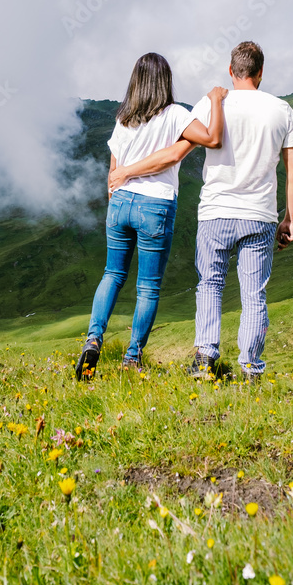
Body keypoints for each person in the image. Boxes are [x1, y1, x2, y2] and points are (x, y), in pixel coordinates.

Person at [108, 41, 293, 380]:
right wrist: (290, 218)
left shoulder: (209, 103)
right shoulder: (282, 110)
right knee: (253, 293)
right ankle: (251, 368)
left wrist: (127, 170)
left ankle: (205, 359)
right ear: (260, 73)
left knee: (209, 284)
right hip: (260, 215)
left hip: (215, 211)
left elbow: (178, 148)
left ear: (231, 71)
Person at [75, 52, 227, 380]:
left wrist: (117, 194)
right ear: (165, 81)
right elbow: (213, 138)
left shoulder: (124, 117)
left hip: (120, 203)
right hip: (154, 205)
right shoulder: (175, 115)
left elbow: (113, 171)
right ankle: (132, 357)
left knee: (112, 274)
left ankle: (93, 340)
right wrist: (216, 100)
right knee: (148, 287)